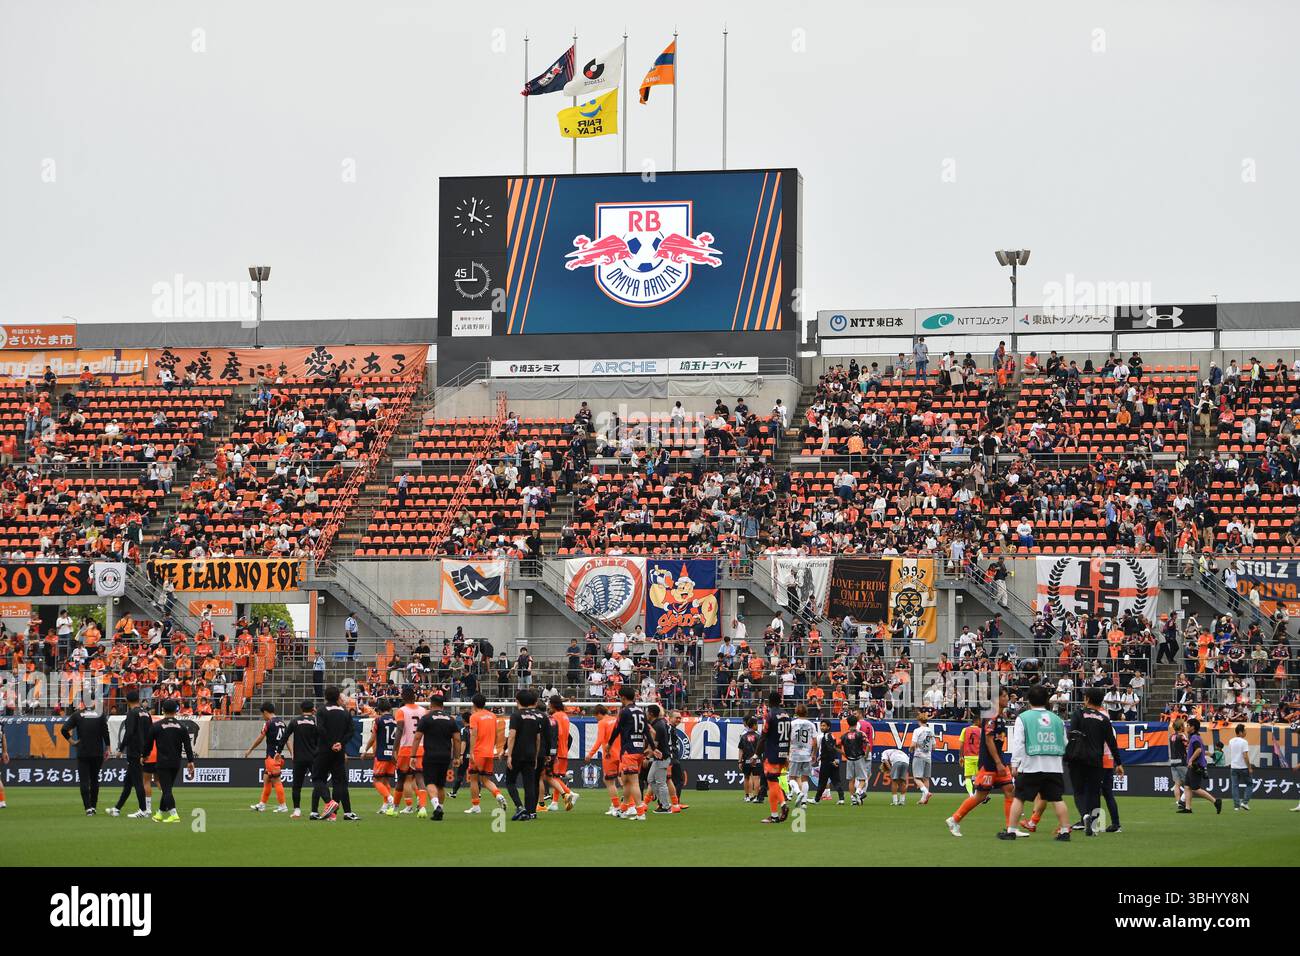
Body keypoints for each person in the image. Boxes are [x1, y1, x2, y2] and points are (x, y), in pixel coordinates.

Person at [999, 684, 1072, 841]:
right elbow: (1065, 743)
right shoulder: (1057, 720)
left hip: (1031, 764)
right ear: (1047, 699)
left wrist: (1014, 764)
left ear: (1028, 700)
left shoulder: (1023, 718)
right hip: (1053, 766)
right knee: (1057, 799)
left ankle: (1011, 830)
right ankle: (1065, 831)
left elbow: (1018, 743)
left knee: (1019, 797)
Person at [946, 685, 1015, 837]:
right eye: (1004, 696)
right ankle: (954, 819)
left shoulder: (1000, 716)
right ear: (996, 698)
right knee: (980, 796)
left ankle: (1011, 828)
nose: (1007, 698)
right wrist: (997, 762)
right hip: (989, 763)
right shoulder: (991, 715)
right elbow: (989, 741)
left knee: (1009, 790)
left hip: (998, 762)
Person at [1065, 687, 1119, 836]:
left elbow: (1072, 735)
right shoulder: (1104, 719)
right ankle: (1094, 825)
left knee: (1079, 791)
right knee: (1094, 793)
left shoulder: (1078, 714)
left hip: (1077, 758)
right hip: (1096, 759)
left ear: (1087, 699)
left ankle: (1085, 816)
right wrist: (1119, 763)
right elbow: (1112, 742)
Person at [409, 694, 460, 822]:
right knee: (441, 785)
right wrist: (457, 757)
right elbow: (457, 739)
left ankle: (436, 806)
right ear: (443, 705)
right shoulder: (451, 719)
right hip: (445, 756)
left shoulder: (426, 718)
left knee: (430, 783)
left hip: (430, 755)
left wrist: (413, 755)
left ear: (431, 704)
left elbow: (417, 737)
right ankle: (441, 808)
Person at [312, 686, 358, 821]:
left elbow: (320, 729)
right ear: (338, 696)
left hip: (324, 750)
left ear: (326, 697)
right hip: (339, 751)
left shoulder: (322, 711)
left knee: (318, 778)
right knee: (339, 781)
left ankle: (329, 802)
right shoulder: (345, 712)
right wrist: (340, 743)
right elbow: (351, 731)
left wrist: (331, 743)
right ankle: (334, 814)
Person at [146, 699, 195, 824]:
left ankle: (174, 814)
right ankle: (160, 814)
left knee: (166, 790)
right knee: (168, 788)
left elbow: (148, 744)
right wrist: (190, 761)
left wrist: (144, 756)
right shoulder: (181, 727)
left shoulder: (156, 726)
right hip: (176, 762)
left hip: (162, 762)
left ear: (163, 710)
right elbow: (188, 746)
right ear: (176, 710)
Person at [608, 685, 649, 821]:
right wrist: (653, 747)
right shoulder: (641, 711)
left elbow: (617, 728)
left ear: (623, 697)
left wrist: (609, 744)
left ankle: (640, 811)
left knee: (633, 782)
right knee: (626, 780)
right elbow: (646, 732)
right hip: (638, 750)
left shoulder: (625, 711)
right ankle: (624, 808)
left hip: (629, 750)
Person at [505, 688, 547, 821]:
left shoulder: (516, 715)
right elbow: (538, 738)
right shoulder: (536, 716)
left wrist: (509, 754)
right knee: (529, 784)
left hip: (517, 753)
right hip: (530, 754)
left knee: (510, 782)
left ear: (517, 701)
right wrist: (535, 756)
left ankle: (519, 806)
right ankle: (531, 813)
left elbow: (512, 735)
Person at [62, 703, 110, 815]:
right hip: (97, 752)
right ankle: (93, 806)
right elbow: (105, 732)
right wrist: (108, 748)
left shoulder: (77, 715)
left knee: (84, 780)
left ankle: (88, 808)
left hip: (83, 751)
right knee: (94, 779)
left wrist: (72, 742)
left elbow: (64, 729)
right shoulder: (100, 714)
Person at [108, 690, 150, 818]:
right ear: (138, 699)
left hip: (134, 751)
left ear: (127, 701)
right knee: (128, 781)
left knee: (137, 781)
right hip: (143, 751)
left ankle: (143, 810)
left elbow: (129, 732)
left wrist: (120, 749)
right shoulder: (146, 713)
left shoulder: (132, 713)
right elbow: (150, 733)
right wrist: (147, 751)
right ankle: (117, 808)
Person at [465, 694, 508, 815]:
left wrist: (472, 752)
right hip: (489, 751)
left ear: (474, 704)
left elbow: (474, 734)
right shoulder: (492, 716)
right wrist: (492, 747)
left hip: (478, 752)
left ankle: (475, 806)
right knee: (486, 779)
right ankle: (498, 795)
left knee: (473, 779)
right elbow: (495, 734)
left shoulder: (474, 717)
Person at [244, 702, 288, 813]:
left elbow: (260, 738)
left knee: (276, 780)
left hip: (271, 757)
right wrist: (292, 753)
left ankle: (283, 806)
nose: (262, 717)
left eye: (262, 714)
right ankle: (262, 804)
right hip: (279, 756)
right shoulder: (282, 723)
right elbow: (287, 740)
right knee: (266, 779)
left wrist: (250, 749)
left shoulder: (268, 723)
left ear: (265, 712)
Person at [279, 700, 319, 819]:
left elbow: (285, 736)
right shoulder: (316, 721)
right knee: (318, 783)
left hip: (299, 758)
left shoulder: (295, 721)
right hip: (314, 757)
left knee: (297, 785)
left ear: (301, 709)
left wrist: (278, 751)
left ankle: (297, 810)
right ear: (313, 709)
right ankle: (314, 811)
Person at [392, 688, 428, 816]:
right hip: (421, 747)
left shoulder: (401, 711)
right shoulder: (423, 711)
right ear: (415, 697)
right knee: (420, 778)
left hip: (406, 748)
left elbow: (400, 729)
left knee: (401, 778)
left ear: (403, 697)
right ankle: (423, 807)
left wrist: (394, 749)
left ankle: (394, 809)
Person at [360, 698, 399, 814]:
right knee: (386, 781)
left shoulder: (378, 720)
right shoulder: (396, 720)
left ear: (379, 709)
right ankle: (385, 805)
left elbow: (372, 738)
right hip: (392, 754)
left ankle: (390, 799)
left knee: (376, 780)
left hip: (382, 754)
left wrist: (365, 750)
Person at [760, 690, 791, 824]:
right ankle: (776, 812)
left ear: (770, 701)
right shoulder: (787, 715)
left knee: (771, 781)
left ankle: (781, 807)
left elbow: (764, 735)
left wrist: (756, 753)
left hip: (772, 752)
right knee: (773, 781)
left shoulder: (770, 715)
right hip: (783, 751)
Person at [587, 703, 625, 815]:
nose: (595, 718)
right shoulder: (615, 720)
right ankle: (629, 804)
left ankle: (616, 806)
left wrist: (590, 753)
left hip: (610, 755)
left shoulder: (602, 723)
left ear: (599, 714)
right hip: (622, 753)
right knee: (625, 780)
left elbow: (600, 740)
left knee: (609, 780)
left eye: (595, 716)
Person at [543, 695, 577, 812]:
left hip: (556, 751)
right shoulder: (565, 716)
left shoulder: (555, 716)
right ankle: (554, 803)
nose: (548, 706)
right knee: (556, 777)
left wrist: (551, 750)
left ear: (552, 705)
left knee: (551, 777)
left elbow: (558, 733)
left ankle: (570, 793)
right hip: (563, 751)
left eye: (549, 704)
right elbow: (568, 736)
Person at [1182, 718, 1223, 815]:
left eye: (1188, 725)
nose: (1186, 727)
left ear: (1193, 727)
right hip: (1193, 766)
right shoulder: (1194, 737)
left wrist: (1191, 760)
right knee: (1187, 786)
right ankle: (1188, 808)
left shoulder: (1195, 738)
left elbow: (1199, 750)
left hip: (1196, 766)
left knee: (1195, 788)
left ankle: (1215, 801)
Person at [645, 703, 674, 814]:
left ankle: (665, 806)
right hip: (660, 758)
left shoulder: (658, 725)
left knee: (661, 782)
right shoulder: (659, 723)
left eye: (647, 712)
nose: (646, 714)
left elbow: (655, 745)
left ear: (651, 714)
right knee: (651, 779)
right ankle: (663, 802)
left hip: (662, 758)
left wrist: (647, 757)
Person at [787, 703, 818, 808]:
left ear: (796, 712)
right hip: (806, 754)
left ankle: (798, 792)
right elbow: (815, 741)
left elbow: (787, 740)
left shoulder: (791, 724)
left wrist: (787, 753)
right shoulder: (811, 724)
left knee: (791, 778)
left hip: (794, 753)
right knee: (805, 779)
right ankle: (804, 802)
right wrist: (814, 753)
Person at [840, 714, 872, 805]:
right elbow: (868, 745)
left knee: (851, 780)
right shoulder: (861, 733)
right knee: (863, 778)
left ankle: (853, 799)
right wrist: (865, 755)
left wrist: (844, 754)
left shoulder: (844, 735)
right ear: (857, 723)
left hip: (849, 759)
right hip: (859, 758)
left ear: (848, 723)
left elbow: (836, 746)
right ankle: (858, 791)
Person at [813, 718, 845, 805]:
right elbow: (833, 748)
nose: (822, 727)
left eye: (824, 726)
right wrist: (835, 759)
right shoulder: (831, 736)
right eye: (821, 725)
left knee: (822, 782)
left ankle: (816, 800)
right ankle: (841, 799)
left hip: (827, 762)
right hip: (833, 760)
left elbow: (830, 749)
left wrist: (823, 757)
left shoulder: (826, 736)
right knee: (836, 781)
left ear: (828, 727)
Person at [910, 709, 936, 805]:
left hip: (919, 755)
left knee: (917, 778)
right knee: (926, 778)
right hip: (928, 756)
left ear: (919, 721)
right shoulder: (930, 731)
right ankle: (924, 799)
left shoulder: (917, 730)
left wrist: (910, 749)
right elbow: (934, 746)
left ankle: (926, 792)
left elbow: (913, 744)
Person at [1225, 723, 1252, 811]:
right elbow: (1245, 756)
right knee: (1249, 784)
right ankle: (1245, 802)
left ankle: (1236, 806)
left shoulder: (1231, 741)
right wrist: (1249, 767)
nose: (1246, 732)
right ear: (1240, 732)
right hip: (1243, 767)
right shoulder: (1244, 742)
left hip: (1234, 767)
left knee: (1234, 786)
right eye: (1244, 731)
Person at [1168, 716, 1189, 812]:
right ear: (1181, 727)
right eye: (1183, 725)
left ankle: (1178, 802)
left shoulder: (1171, 736)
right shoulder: (1182, 736)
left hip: (1172, 761)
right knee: (1188, 783)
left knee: (1177, 783)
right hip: (1181, 761)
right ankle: (1182, 801)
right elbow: (1187, 746)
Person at [957, 717, 982, 797]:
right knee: (978, 776)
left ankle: (971, 795)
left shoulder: (965, 730)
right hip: (978, 756)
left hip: (968, 756)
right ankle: (977, 794)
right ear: (977, 721)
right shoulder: (981, 731)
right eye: (980, 721)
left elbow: (961, 744)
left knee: (968, 777)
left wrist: (961, 756)